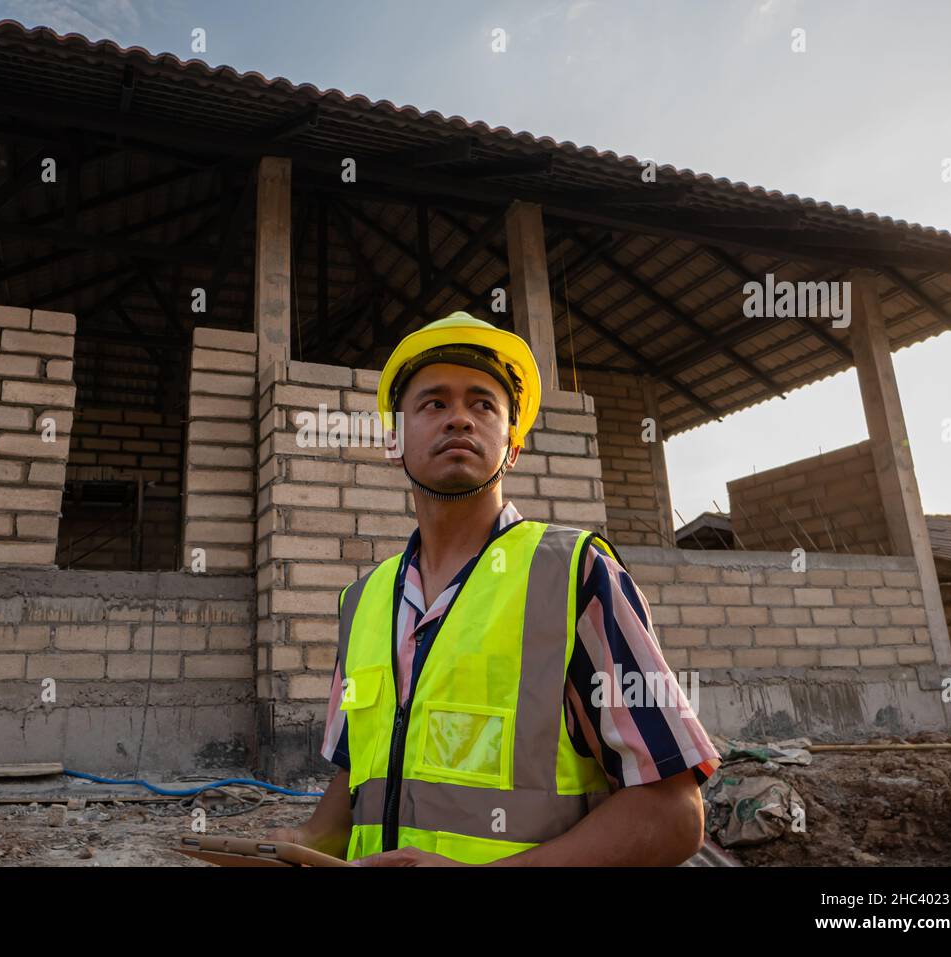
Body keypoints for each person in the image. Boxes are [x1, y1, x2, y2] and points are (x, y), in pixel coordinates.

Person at [267, 312, 721, 866]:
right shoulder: (363, 602)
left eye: (483, 404)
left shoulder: (574, 574)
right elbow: (355, 778)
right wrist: (298, 846)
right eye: (434, 403)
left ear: (512, 447)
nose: (460, 419)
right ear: (394, 441)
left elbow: (675, 815)